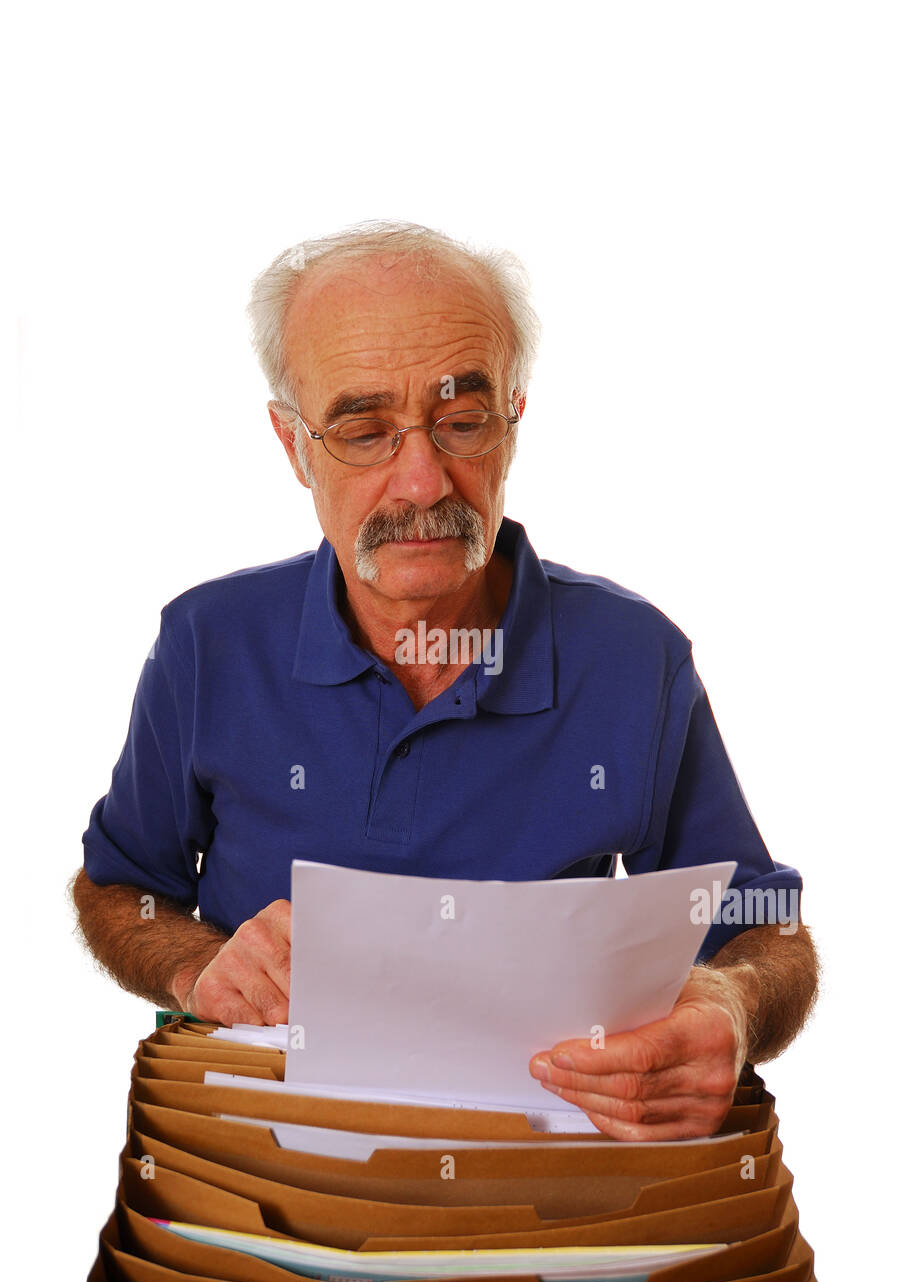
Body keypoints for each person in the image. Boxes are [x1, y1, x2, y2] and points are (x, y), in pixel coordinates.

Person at [71, 220, 818, 1139]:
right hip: (254, 1173)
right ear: (292, 444)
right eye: (362, 428)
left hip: (549, 1185)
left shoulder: (634, 659)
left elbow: (762, 925)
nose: (422, 481)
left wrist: (732, 1004)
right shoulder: (206, 642)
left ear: (513, 417)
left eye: (461, 421)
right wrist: (195, 967)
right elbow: (118, 888)